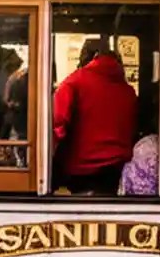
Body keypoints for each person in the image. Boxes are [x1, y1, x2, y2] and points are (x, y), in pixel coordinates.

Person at [53, 38, 137, 195]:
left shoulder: (74, 83)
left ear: (89, 57)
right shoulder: (128, 91)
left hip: (80, 169)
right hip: (117, 168)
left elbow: (57, 124)